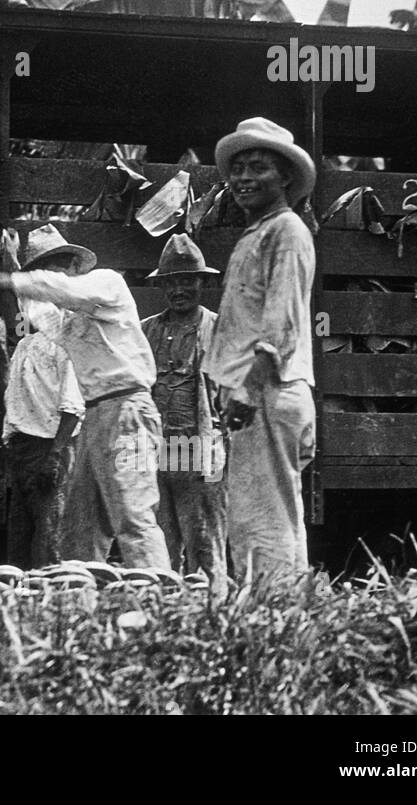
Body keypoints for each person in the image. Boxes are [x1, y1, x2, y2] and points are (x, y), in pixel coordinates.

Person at [0, 224, 170, 569]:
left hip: (129, 411)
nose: (50, 275)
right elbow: (37, 308)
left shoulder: (107, 285)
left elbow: (60, 291)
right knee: (78, 526)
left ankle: (158, 599)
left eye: (54, 265)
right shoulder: (65, 322)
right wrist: (12, 270)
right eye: (42, 268)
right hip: (93, 418)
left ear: (73, 266)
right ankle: (78, 605)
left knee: (133, 515)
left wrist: (7, 279)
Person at [203, 118, 317, 588]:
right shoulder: (257, 233)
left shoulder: (287, 230)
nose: (243, 178)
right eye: (238, 169)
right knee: (254, 515)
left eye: (257, 168)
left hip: (267, 390)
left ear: (285, 177)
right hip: (251, 393)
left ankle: (278, 619)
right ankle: (273, 615)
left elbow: (282, 320)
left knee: (266, 516)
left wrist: (250, 387)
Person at [141, 233, 227, 588]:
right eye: (171, 282)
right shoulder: (147, 330)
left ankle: (214, 607)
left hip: (202, 447)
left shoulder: (219, 328)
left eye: (187, 280)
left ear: (202, 283)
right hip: (158, 449)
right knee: (161, 540)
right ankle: (170, 613)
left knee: (204, 541)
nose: (179, 289)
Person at [1, 293, 84, 569]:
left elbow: (72, 408)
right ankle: (23, 600)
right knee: (20, 534)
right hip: (22, 449)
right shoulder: (25, 345)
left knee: (49, 536)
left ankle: (52, 598)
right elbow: (15, 394)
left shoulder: (66, 347)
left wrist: (54, 455)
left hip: (50, 447)